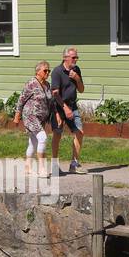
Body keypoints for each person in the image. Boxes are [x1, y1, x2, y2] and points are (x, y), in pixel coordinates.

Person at [49, 46, 86, 175]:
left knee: (79, 132)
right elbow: (55, 93)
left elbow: (81, 90)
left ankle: (74, 164)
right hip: (59, 107)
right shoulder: (57, 72)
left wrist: (77, 78)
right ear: (65, 58)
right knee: (57, 134)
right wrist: (64, 109)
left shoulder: (76, 70)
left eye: (77, 57)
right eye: (73, 57)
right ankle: (54, 165)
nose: (76, 59)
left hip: (72, 106)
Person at [14, 60, 53, 178]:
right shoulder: (31, 83)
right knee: (42, 137)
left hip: (41, 118)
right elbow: (21, 99)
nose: (47, 73)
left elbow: (49, 101)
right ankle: (41, 168)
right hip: (30, 115)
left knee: (33, 142)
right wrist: (17, 116)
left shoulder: (47, 85)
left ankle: (28, 167)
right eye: (45, 71)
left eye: (49, 71)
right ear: (38, 72)